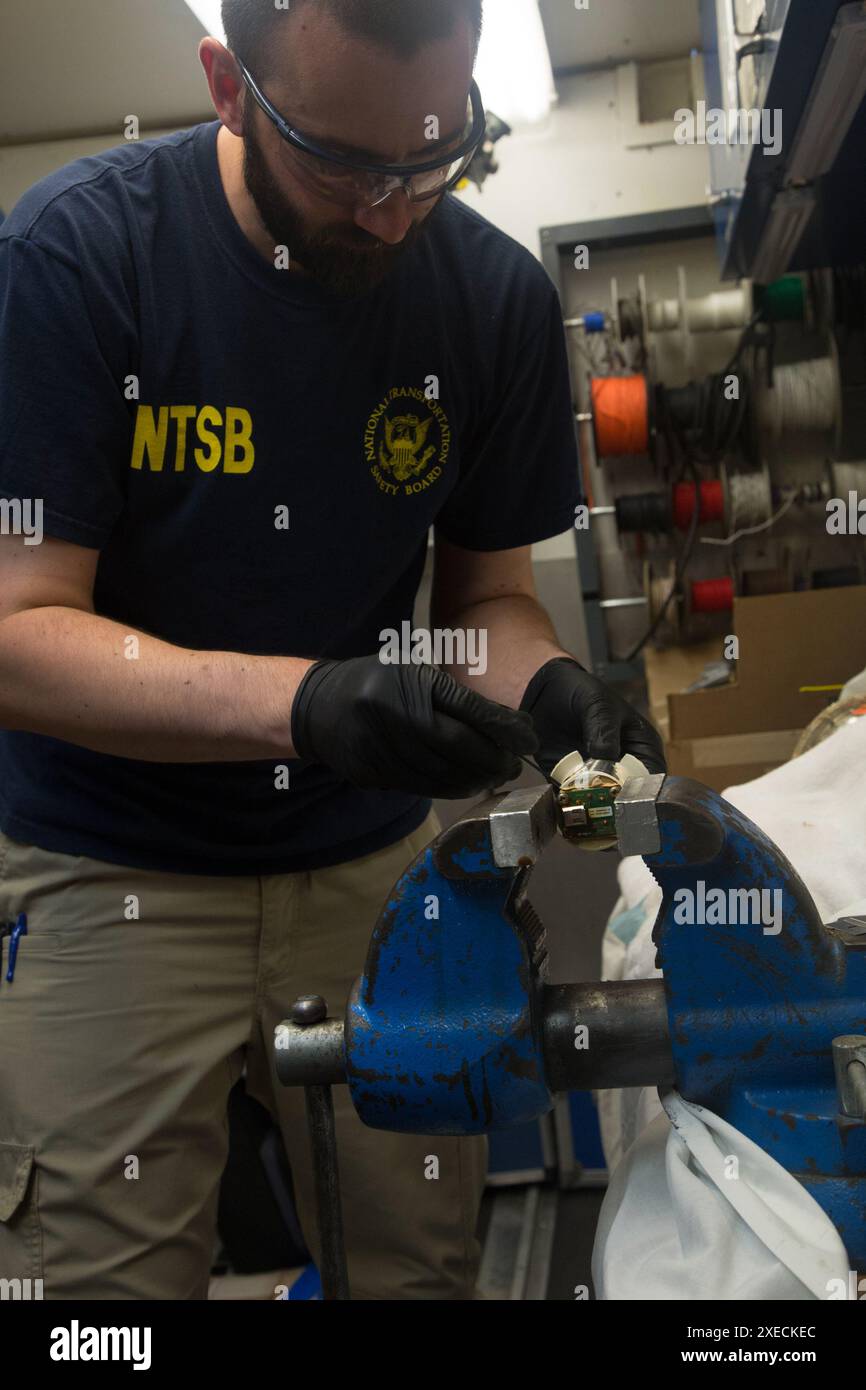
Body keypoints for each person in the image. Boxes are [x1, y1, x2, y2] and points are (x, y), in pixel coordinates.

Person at [0, 0, 664, 1300]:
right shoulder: (69, 263)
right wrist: (305, 704)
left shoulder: (492, 303)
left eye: (434, 156)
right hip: (107, 867)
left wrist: (545, 685)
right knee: (102, 1303)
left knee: (408, 1270)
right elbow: (19, 636)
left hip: (363, 864)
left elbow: (486, 598)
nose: (391, 211)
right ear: (228, 87)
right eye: (345, 165)